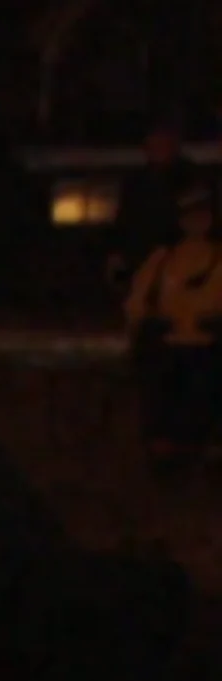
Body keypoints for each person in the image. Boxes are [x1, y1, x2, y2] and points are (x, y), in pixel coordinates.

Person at [123, 183, 222, 477]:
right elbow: (137, 302)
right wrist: (148, 324)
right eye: (190, 216)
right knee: (161, 385)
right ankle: (165, 449)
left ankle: (203, 447)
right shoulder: (162, 260)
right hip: (167, 345)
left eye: (202, 216)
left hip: (210, 345)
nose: (196, 223)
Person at [108, 121, 209, 294]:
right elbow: (123, 222)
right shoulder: (136, 181)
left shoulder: (191, 178)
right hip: (142, 256)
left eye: (163, 142)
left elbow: (197, 223)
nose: (157, 147)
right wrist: (116, 253)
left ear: (174, 144)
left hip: (179, 256)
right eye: (153, 142)